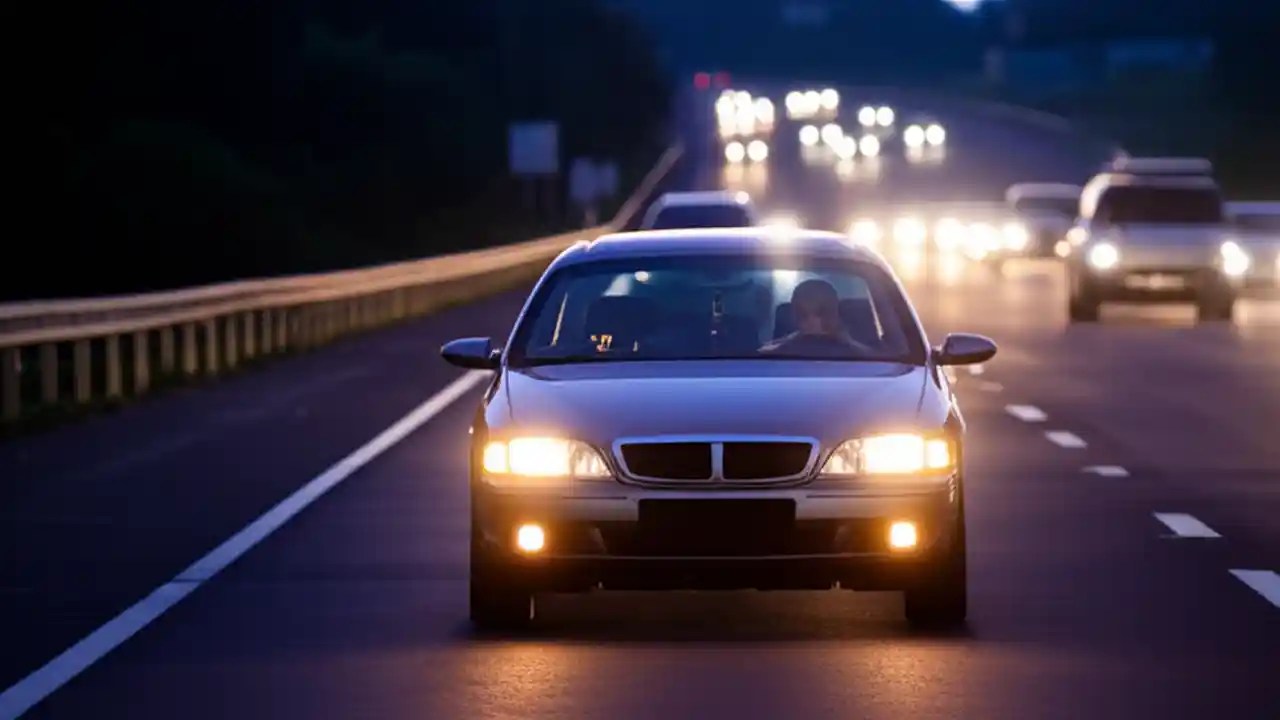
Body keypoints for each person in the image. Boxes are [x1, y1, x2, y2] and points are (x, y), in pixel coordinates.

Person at [760, 278, 866, 355]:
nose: (811, 321)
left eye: (820, 312)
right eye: (803, 314)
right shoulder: (770, 357)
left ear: (833, 313)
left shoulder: (866, 359)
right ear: (794, 315)